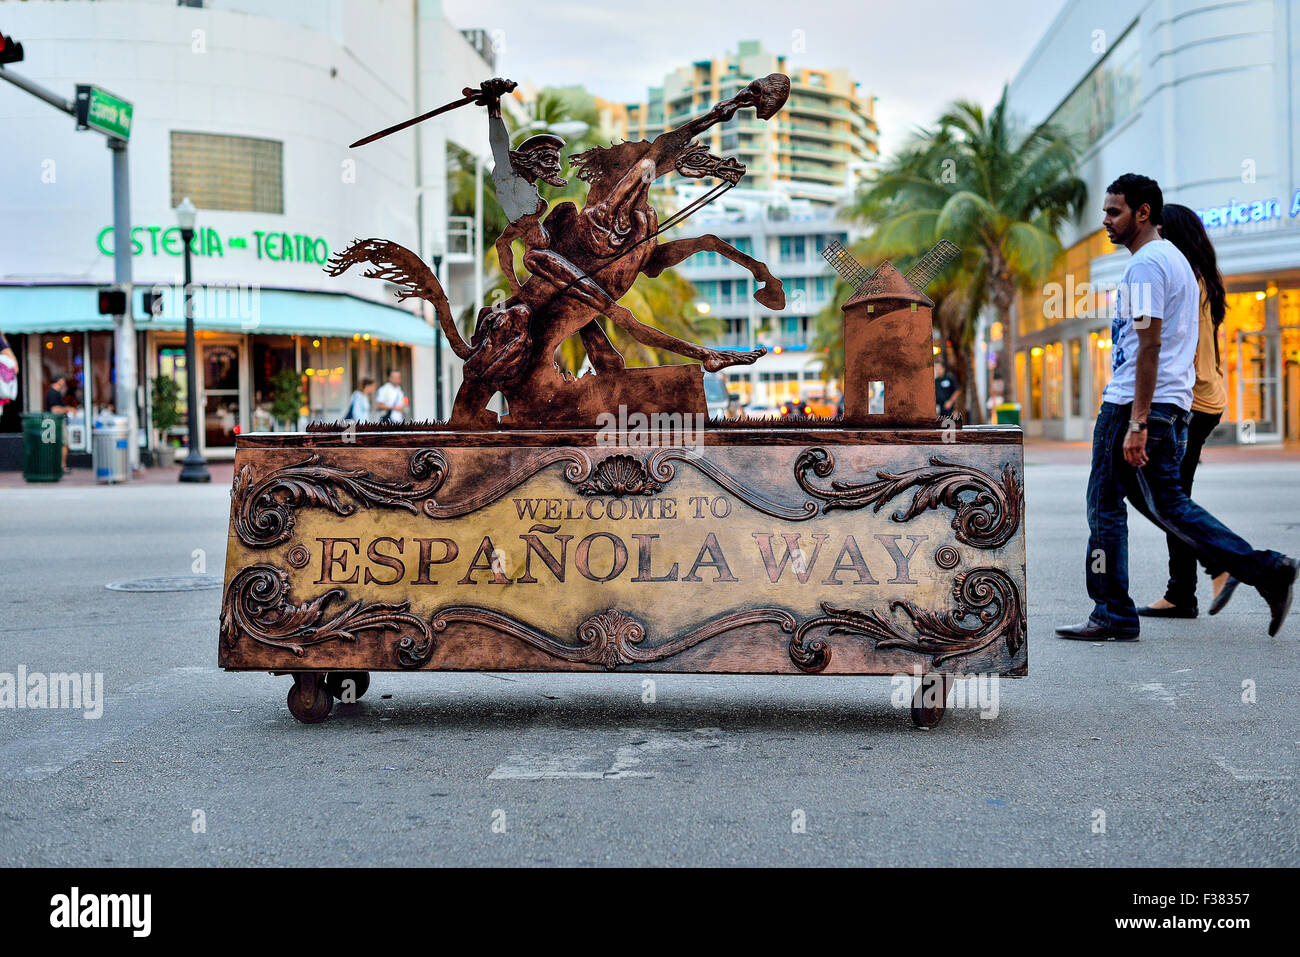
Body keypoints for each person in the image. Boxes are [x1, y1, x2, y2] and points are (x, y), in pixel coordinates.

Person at [1056, 173, 1295, 642]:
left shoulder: (1147, 265)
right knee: (1169, 504)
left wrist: (1138, 421)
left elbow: (1149, 346)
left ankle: (1112, 612)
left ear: (1143, 213)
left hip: (1134, 405)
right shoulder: (1176, 262)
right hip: (1168, 405)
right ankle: (1266, 569)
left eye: (1114, 211)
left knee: (1106, 507)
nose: (1106, 220)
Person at [1136, 204, 1232, 619]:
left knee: (1161, 497)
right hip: (1207, 399)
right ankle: (1183, 592)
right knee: (1170, 496)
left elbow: (1173, 347)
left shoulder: (1183, 281)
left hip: (1188, 402)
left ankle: (1216, 563)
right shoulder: (1204, 279)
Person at [44, 372, 73, 473]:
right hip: (54, 422)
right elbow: (54, 410)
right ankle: (61, 466)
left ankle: (54, 466)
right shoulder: (53, 393)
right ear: (60, 380)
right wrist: (68, 409)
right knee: (64, 443)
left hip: (51, 422)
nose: (64, 383)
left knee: (53, 444)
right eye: (63, 380)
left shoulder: (53, 392)